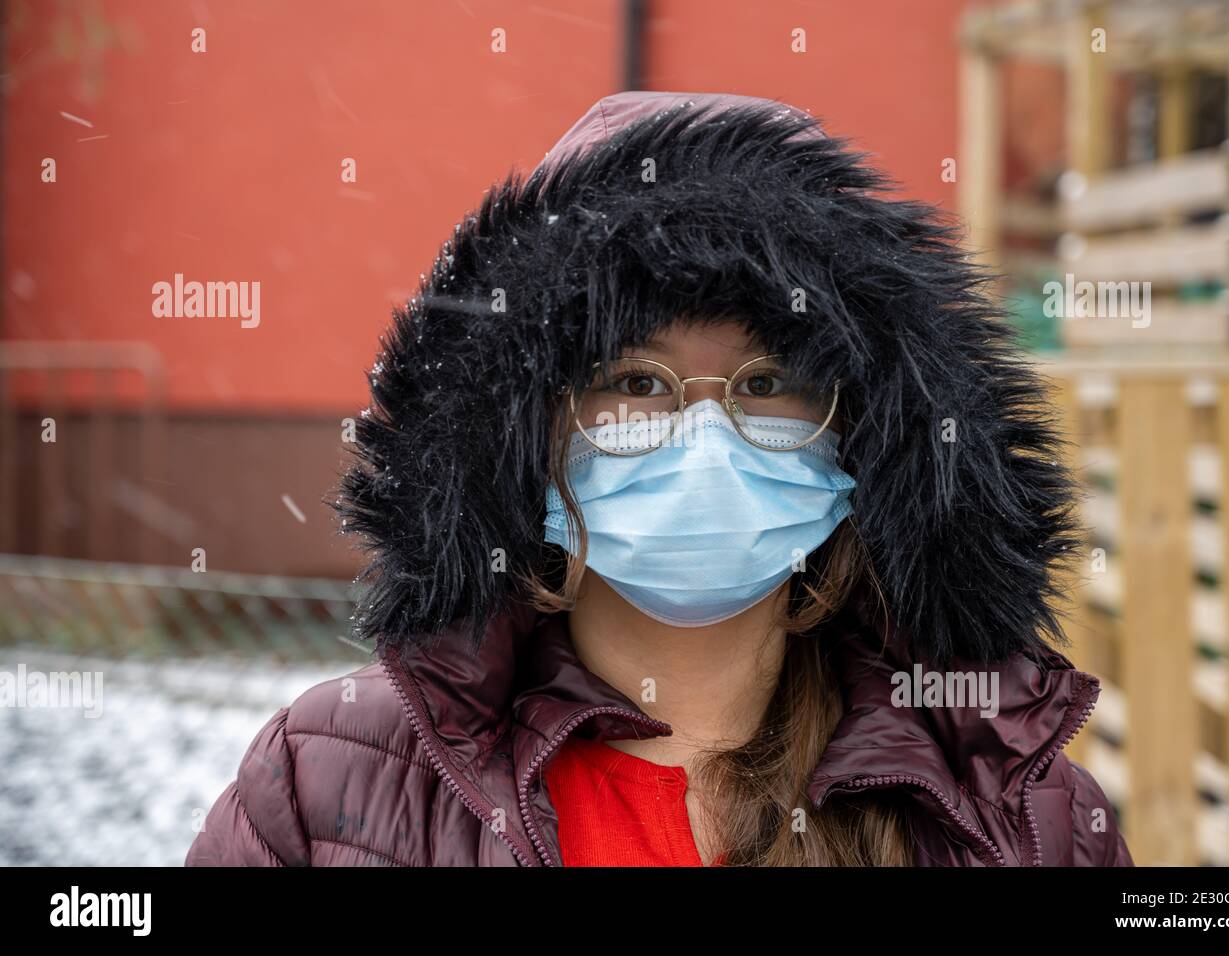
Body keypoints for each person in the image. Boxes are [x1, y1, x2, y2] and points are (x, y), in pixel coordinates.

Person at [185, 90, 1133, 867]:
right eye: (636, 382)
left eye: (770, 384)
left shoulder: (1026, 822)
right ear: (528, 431)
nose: (706, 436)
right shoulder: (329, 785)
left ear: (866, 440)